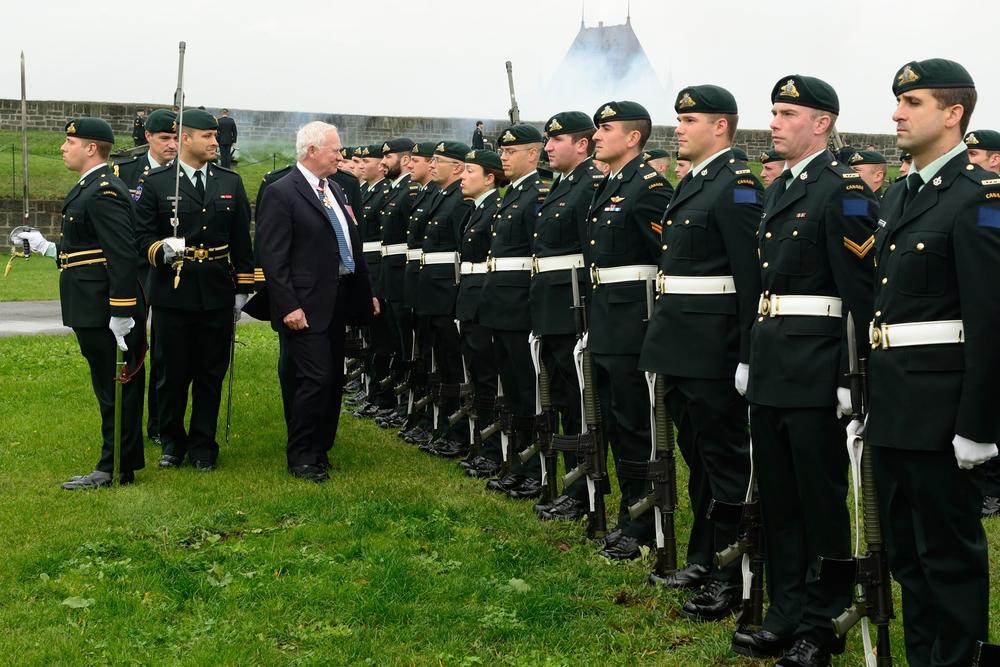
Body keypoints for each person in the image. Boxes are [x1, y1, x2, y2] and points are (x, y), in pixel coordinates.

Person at [737, 75, 877, 666]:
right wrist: (751, 355)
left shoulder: (843, 190)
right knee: (779, 496)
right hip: (775, 359)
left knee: (819, 499)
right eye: (773, 112)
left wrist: (851, 375)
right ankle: (786, 609)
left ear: (822, 123)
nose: (774, 123)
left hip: (817, 365)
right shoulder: (782, 188)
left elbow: (861, 293)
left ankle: (823, 620)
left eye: (787, 113)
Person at [865, 59, 999, 667]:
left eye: (912, 102)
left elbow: (991, 319)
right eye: (898, 101)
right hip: (894, 402)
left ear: (953, 114)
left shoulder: (979, 197)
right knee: (907, 554)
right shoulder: (899, 194)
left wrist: (978, 426)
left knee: (948, 555)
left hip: (942, 411)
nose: (896, 113)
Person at [638, 85, 761, 619]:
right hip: (683, 344)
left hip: (714, 348)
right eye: (679, 119)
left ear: (721, 126)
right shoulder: (698, 181)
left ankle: (735, 573)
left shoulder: (736, 185)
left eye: (690, 120)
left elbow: (750, 279)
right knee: (699, 459)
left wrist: (747, 354)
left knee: (726, 462)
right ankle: (704, 557)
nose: (679, 128)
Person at [16, 118, 144, 488]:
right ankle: (119, 463)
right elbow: (86, 250)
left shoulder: (103, 191)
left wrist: (122, 312)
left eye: (69, 142)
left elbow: (122, 255)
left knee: (114, 388)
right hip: (90, 302)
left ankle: (111, 468)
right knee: (109, 386)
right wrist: (46, 247)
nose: (62, 147)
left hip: (102, 306)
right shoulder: (91, 186)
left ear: (91, 148)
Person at [134, 108, 254, 472]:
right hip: (173, 290)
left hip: (216, 289)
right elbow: (140, 236)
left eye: (215, 136)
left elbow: (242, 240)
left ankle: (203, 445)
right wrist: (160, 250)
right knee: (171, 373)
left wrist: (242, 288)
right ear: (186, 138)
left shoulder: (229, 182)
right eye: (208, 136)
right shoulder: (158, 182)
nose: (216, 143)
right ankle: (172, 441)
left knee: (210, 373)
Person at [256, 121, 376, 482]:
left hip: (338, 299)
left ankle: (321, 448)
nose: (341, 156)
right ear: (312, 150)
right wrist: (287, 305)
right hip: (303, 304)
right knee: (315, 377)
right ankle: (302, 455)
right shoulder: (282, 192)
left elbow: (352, 245)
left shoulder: (335, 189)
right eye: (335, 150)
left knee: (333, 377)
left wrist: (366, 292)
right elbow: (273, 257)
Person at [586, 100, 673, 559]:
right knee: (617, 423)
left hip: (633, 321)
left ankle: (643, 524)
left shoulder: (649, 187)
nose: (597, 135)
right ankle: (629, 513)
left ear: (633, 137)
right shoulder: (612, 184)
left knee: (636, 424)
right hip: (606, 317)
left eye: (607, 128)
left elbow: (667, 259)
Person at [530, 111, 605, 521]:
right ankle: (572, 484)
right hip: (553, 306)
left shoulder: (588, 185)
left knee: (580, 404)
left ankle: (583, 491)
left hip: (573, 310)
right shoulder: (564, 184)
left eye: (556, 140)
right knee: (562, 397)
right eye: (547, 140)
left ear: (581, 144)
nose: (548, 147)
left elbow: (591, 255)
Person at [480, 124, 549, 500]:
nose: (503, 157)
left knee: (528, 392)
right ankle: (519, 462)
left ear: (533, 154)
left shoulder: (537, 194)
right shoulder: (514, 194)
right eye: (502, 151)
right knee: (514, 392)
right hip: (502, 307)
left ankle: (535, 469)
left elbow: (537, 257)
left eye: (511, 151)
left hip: (521, 307)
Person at [113, 108, 178, 446]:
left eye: (177, 138)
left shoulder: (184, 175)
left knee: (166, 349)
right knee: (133, 344)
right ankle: (129, 421)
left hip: (169, 268)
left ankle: (160, 423)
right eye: (165, 138)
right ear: (148, 137)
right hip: (135, 268)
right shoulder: (124, 172)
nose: (172, 145)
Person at [416, 141, 474, 456]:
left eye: (439, 160)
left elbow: (462, 252)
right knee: (442, 361)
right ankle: (447, 426)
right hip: (433, 292)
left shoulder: (460, 200)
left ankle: (460, 431)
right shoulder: (442, 196)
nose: (432, 165)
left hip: (448, 292)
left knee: (455, 364)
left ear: (457, 167)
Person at [456, 149, 506, 477]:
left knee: (490, 378)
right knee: (478, 375)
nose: (462, 177)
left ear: (489, 178)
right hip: (470, 300)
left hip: (484, 302)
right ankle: (484, 442)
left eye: (469, 171)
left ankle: (494, 449)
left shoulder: (494, 210)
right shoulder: (477, 209)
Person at [962, 129, 1000, 518]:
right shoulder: (974, 196)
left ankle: (994, 488)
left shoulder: (991, 199)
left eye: (975, 155)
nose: (969, 161)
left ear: (996, 159)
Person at [375, 138, 421, 430]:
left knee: (406, 345)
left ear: (404, 160)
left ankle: (406, 404)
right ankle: (399, 401)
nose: (383, 162)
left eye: (388, 157)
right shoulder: (396, 190)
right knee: (395, 341)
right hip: (389, 272)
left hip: (403, 273)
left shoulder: (409, 191)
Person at [398, 142, 442, 446]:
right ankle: (424, 416)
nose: (409, 165)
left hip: (438, 285)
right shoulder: (428, 194)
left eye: (417, 160)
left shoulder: (445, 196)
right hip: (419, 278)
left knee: (438, 358)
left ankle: (436, 421)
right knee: (420, 351)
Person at [354, 144, 395, 419]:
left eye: (364, 161)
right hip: (367, 266)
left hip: (378, 269)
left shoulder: (385, 193)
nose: (359, 166)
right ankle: (373, 390)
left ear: (381, 166)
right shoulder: (366, 192)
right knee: (370, 338)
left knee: (383, 340)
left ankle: (383, 395)